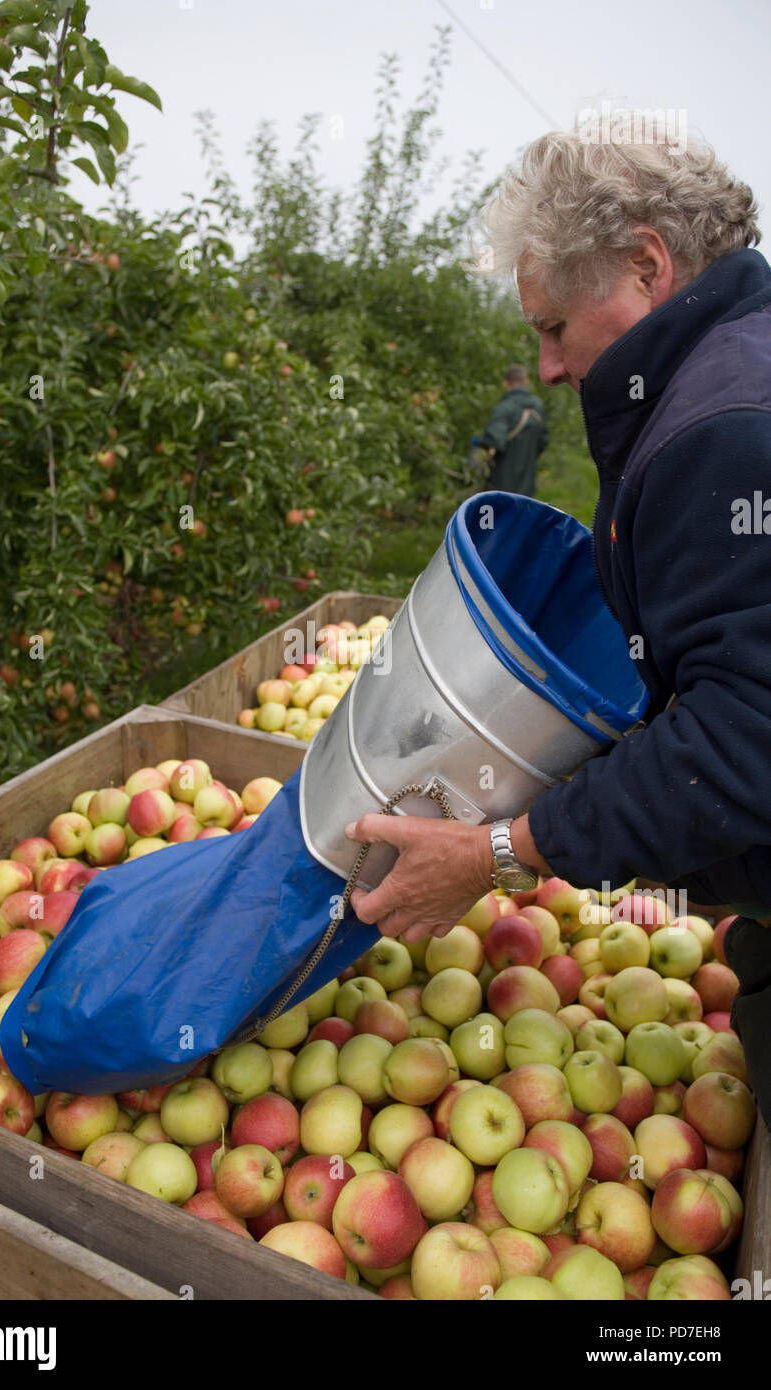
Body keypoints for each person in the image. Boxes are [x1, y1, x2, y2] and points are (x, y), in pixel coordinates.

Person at [344, 126, 771, 1130]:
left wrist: (501, 848)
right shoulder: (727, 374)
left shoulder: (724, 430)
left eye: (550, 328)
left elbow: (743, 736)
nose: (542, 367)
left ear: (644, 263)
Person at [471, 364, 549, 496]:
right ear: (526, 382)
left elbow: (495, 440)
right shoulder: (538, 406)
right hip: (527, 485)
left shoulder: (504, 407)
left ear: (505, 383)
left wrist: (477, 441)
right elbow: (544, 441)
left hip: (502, 484)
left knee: (501, 515)